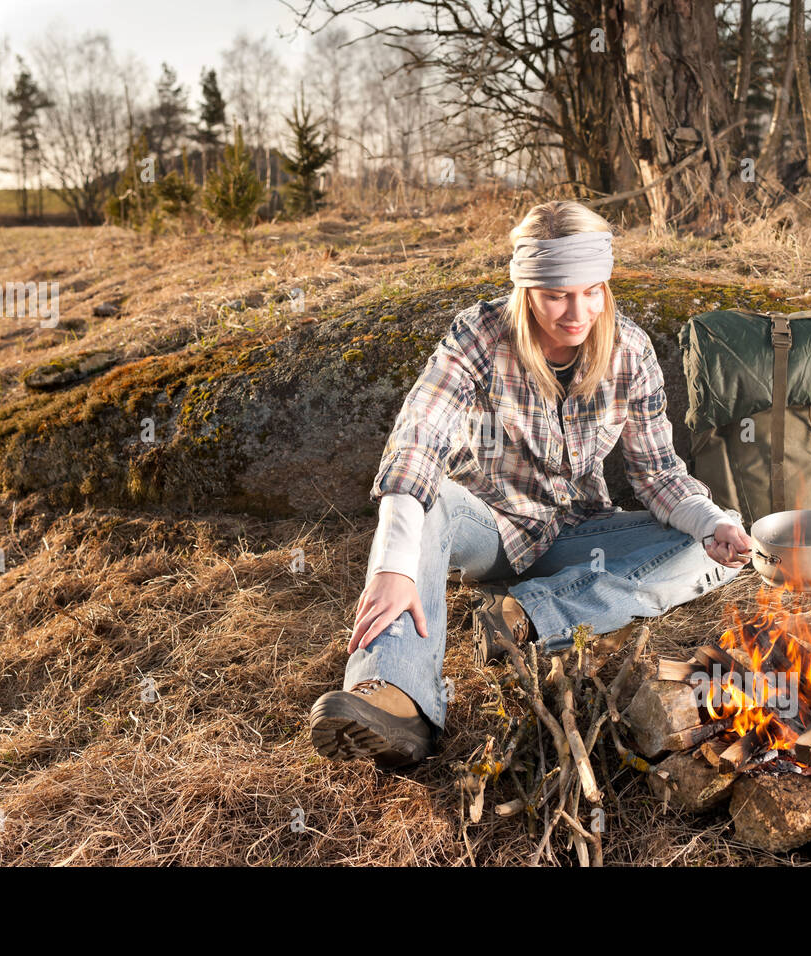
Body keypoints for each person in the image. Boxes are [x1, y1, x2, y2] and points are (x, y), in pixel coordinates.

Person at [310, 200, 753, 770]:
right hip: (489, 528)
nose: (578, 311)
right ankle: (397, 695)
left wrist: (711, 523)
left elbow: (658, 473)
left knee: (708, 551)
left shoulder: (631, 351)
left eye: (592, 290)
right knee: (434, 501)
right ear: (526, 287)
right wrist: (394, 563)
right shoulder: (479, 336)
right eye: (557, 294)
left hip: (579, 533)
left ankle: (524, 615)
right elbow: (417, 440)